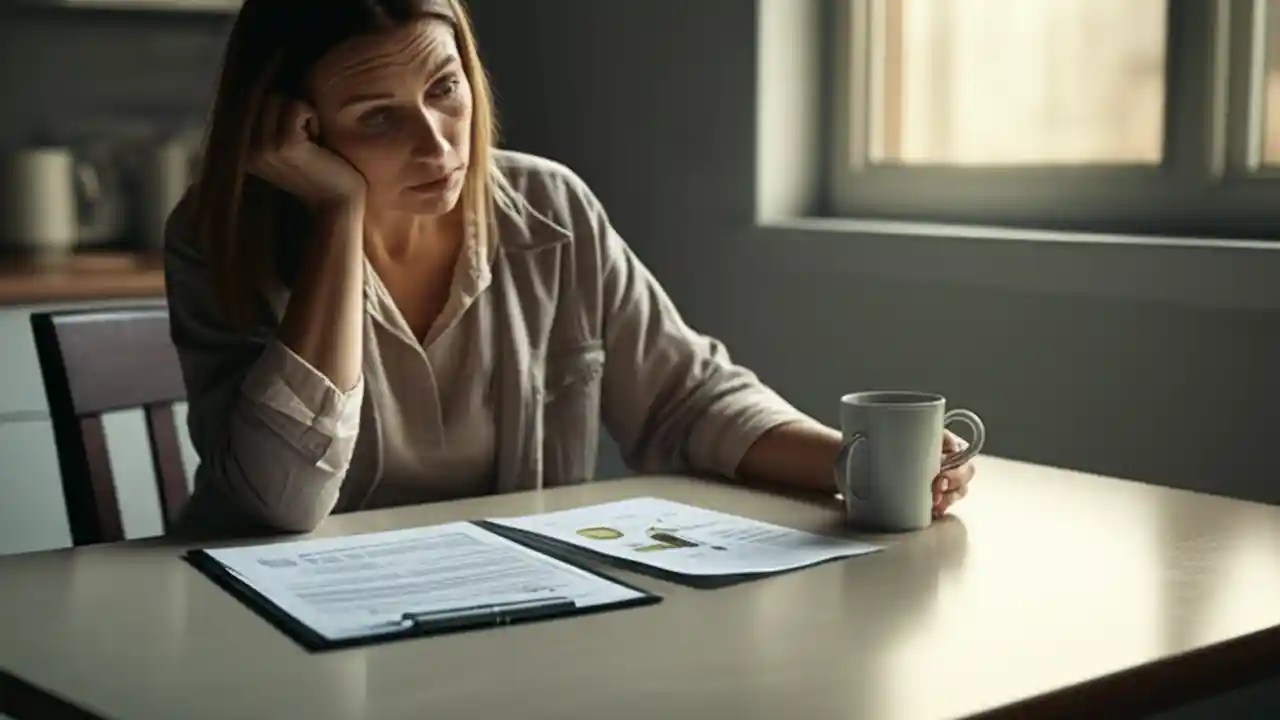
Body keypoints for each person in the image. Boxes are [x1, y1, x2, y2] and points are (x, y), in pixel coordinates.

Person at [165, 0, 975, 534]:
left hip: (519, 610)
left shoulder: (549, 208)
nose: (438, 143)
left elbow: (686, 397)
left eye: (446, 89)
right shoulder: (218, 236)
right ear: (296, 129)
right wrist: (339, 219)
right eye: (379, 117)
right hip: (279, 637)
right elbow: (282, 502)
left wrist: (854, 464)